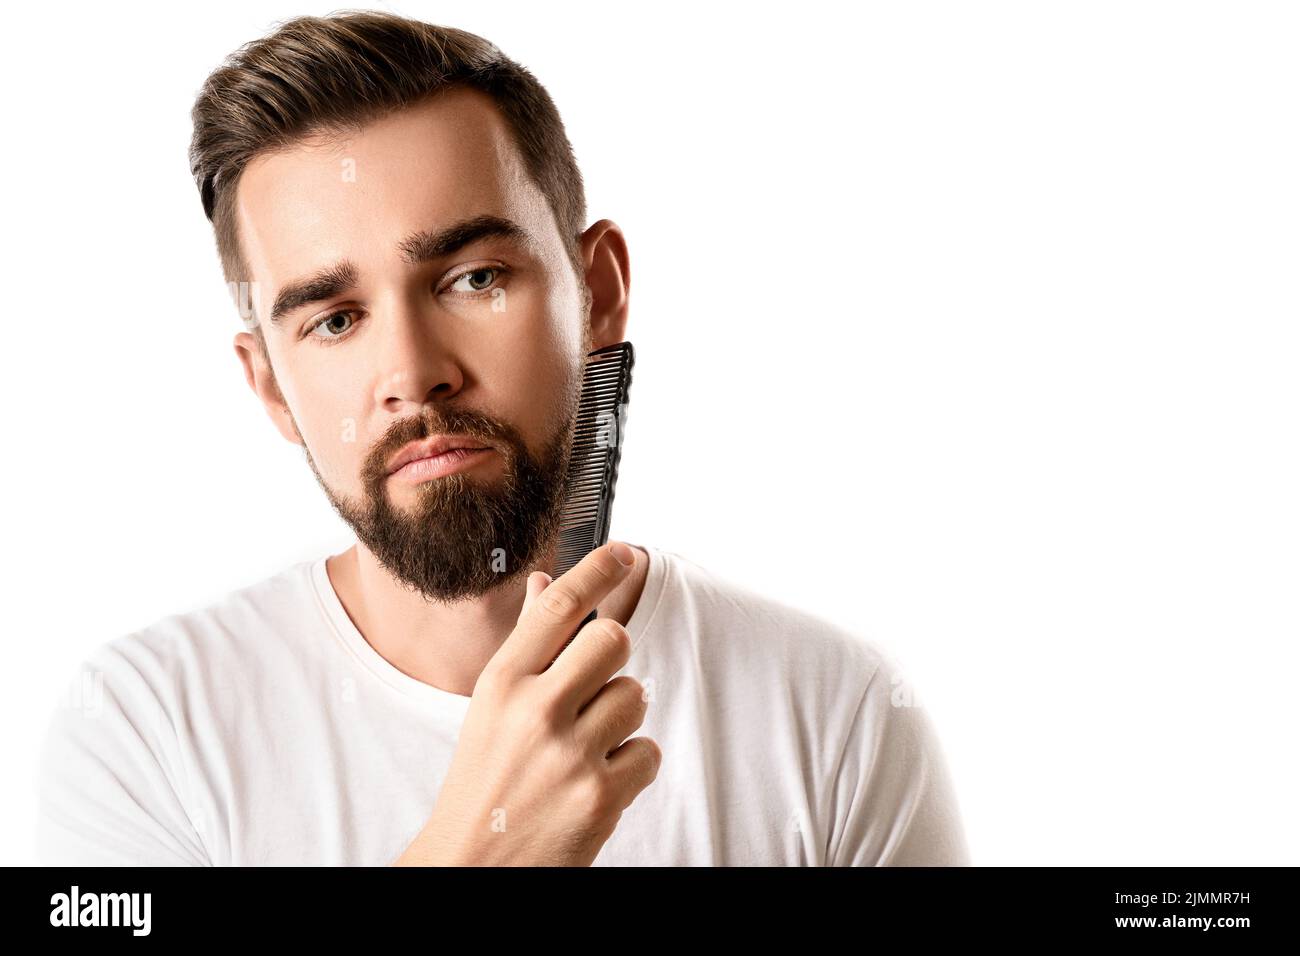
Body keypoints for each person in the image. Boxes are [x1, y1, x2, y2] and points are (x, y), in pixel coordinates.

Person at [36, 11, 970, 866]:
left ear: (595, 294)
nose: (412, 374)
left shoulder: (834, 715)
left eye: (474, 278)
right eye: (334, 318)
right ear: (270, 386)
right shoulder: (144, 733)